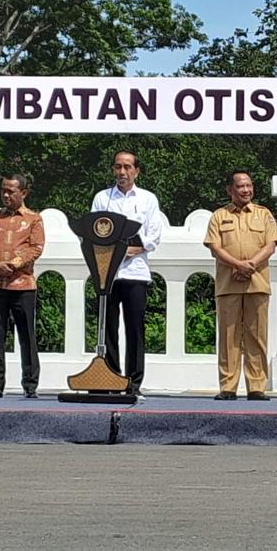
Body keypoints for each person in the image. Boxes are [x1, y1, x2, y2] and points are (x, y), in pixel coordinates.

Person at [90, 150, 163, 398]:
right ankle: (110, 378)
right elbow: (94, 231)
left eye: (127, 167)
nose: (122, 172)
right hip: (107, 273)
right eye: (118, 167)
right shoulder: (102, 198)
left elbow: (153, 235)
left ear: (136, 171)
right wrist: (115, 251)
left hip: (136, 273)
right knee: (107, 327)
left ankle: (133, 383)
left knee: (135, 329)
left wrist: (132, 249)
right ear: (113, 169)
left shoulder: (147, 199)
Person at [204, 170, 277, 401]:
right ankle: (228, 386)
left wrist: (250, 265)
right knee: (229, 337)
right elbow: (215, 247)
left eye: (249, 185)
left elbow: (271, 245)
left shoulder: (264, 214)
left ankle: (257, 386)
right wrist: (237, 265)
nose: (246, 190)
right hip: (228, 284)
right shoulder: (219, 216)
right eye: (240, 186)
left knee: (256, 336)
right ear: (230, 190)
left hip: (257, 283)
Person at [0, 174, 45, 399]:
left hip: (23, 285)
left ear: (23, 193)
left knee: (26, 335)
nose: (6, 195)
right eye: (3, 191)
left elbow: (36, 247)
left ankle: (30, 384)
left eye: (11, 191)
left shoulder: (34, 219)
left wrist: (15, 264)